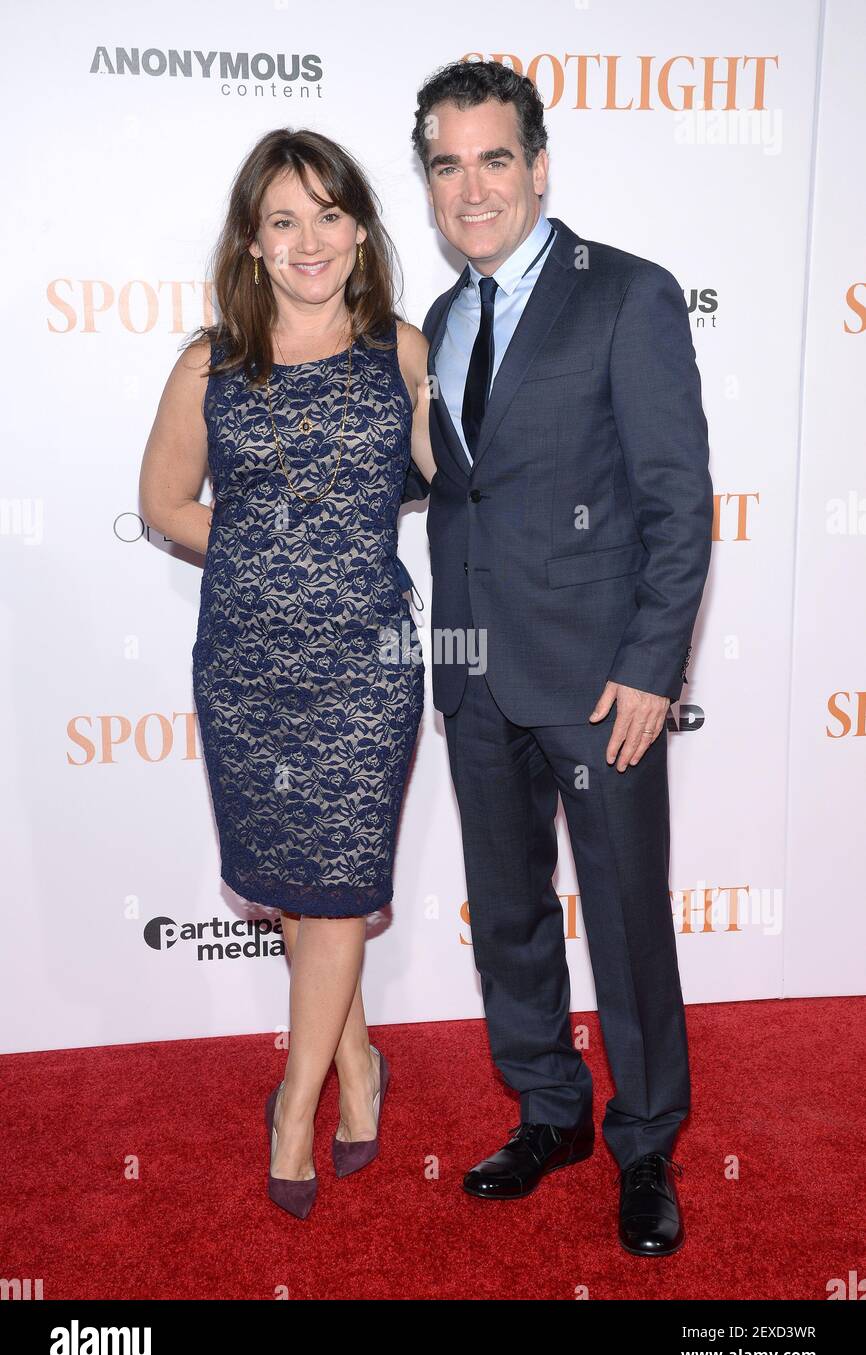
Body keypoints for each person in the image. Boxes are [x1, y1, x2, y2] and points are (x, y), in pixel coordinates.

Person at [403, 60, 714, 1255]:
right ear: (429, 185)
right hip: (475, 669)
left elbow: (675, 502)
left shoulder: (627, 296)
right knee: (513, 918)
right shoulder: (441, 320)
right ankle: (547, 1111)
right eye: (447, 164)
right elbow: (462, 498)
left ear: (537, 167)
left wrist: (651, 666)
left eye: (494, 159)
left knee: (627, 918)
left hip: (600, 681)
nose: (471, 186)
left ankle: (645, 1144)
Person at [139, 128, 436, 1221]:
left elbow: (458, 479)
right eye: (282, 219)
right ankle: (357, 1063)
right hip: (248, 667)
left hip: (367, 666)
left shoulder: (406, 350)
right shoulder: (208, 363)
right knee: (294, 890)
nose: (308, 238)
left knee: (342, 890)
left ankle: (294, 1104)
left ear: (359, 227)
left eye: (327, 213)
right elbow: (165, 506)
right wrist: (263, 544)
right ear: (252, 243)